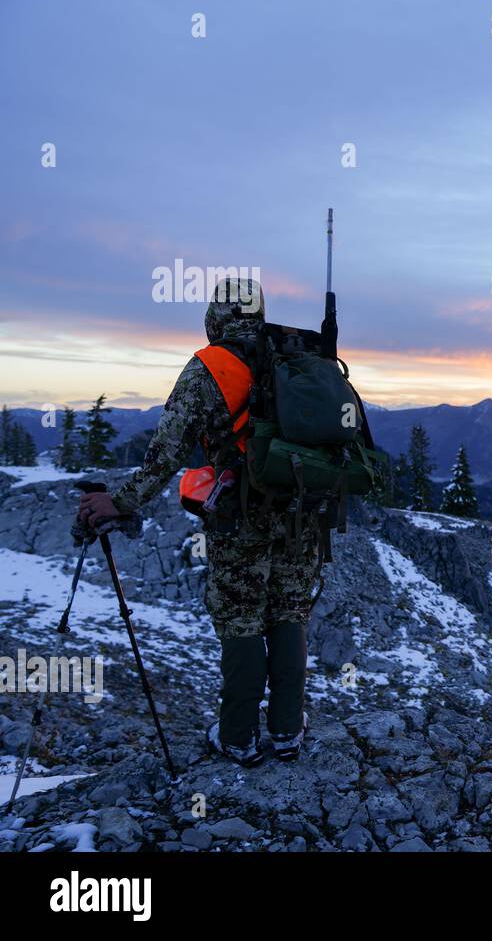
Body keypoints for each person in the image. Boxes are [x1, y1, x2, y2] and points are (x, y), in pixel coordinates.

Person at [77, 278, 315, 768]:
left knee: (242, 618)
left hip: (242, 517)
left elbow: (165, 453)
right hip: (303, 517)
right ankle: (288, 731)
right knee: (289, 614)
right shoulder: (296, 356)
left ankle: (239, 738)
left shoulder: (208, 368)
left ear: (214, 317)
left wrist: (120, 502)